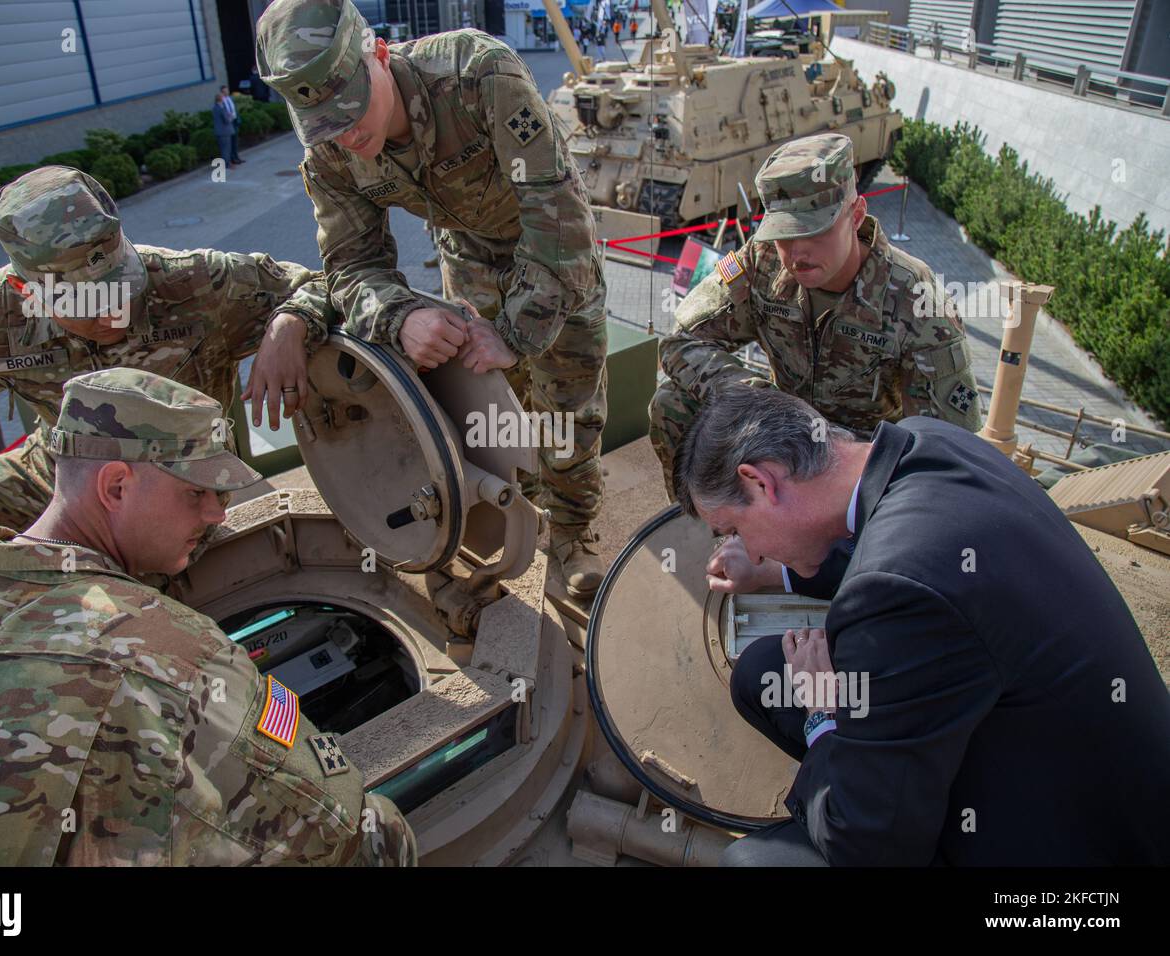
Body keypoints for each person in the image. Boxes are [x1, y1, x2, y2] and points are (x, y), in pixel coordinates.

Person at [0, 368, 416, 866]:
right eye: (196, 492)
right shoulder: (173, 658)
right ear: (115, 486)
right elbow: (342, 835)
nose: (217, 513)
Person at [673, 384, 1170, 866]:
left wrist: (822, 714)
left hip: (1069, 856)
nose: (749, 548)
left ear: (761, 481)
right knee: (767, 672)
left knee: (756, 861)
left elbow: (869, 850)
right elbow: (915, 553)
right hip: (1099, 779)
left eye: (735, 529)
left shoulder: (897, 591)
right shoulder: (927, 441)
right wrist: (776, 571)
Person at [257, 0, 610, 598]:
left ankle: (572, 534)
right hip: (469, 262)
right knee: (489, 407)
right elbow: (352, 263)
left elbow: (558, 213)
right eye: (324, 123)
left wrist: (516, 334)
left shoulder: (478, 75)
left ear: (380, 54)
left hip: (552, 255)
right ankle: (510, 514)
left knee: (566, 407)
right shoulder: (330, 154)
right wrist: (402, 315)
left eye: (350, 107)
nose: (347, 133)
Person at [0, 165, 336, 569]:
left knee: (139, 616)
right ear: (25, 288)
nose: (113, 312)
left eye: (121, 288)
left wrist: (290, 323)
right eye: (85, 303)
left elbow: (330, 285)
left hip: (179, 488)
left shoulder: (194, 282)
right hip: (53, 479)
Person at [651, 133, 980, 497]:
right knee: (673, 403)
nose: (797, 252)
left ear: (856, 216)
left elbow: (948, 443)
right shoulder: (761, 261)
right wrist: (757, 397)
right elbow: (680, 341)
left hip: (863, 459)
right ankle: (718, 526)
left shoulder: (916, 299)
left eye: (815, 231)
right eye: (784, 234)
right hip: (777, 431)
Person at [213, 86, 245, 167]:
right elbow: (223, 115)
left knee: (235, 141)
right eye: (224, 92)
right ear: (222, 93)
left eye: (227, 90)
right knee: (228, 144)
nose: (226, 92)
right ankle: (230, 160)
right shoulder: (220, 104)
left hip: (234, 122)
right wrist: (229, 117)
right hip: (226, 124)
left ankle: (236, 157)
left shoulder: (231, 99)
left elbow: (234, 109)